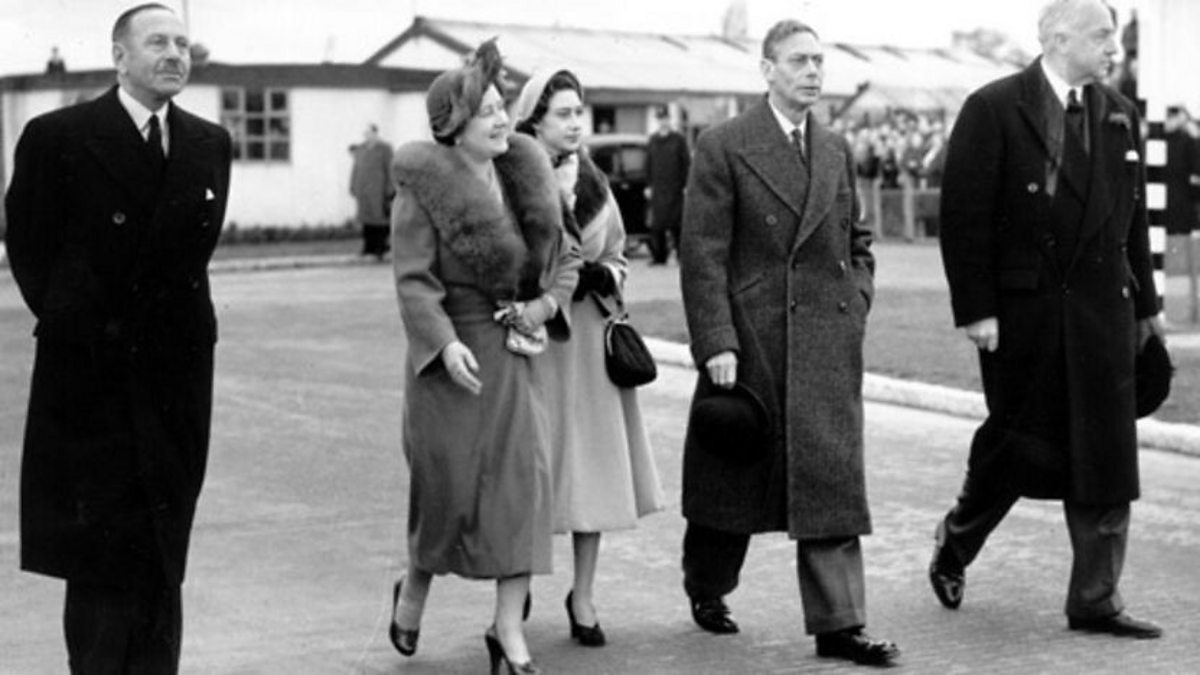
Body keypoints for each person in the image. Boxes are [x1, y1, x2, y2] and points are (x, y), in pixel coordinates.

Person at [4, 4, 231, 672]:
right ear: (119, 56)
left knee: (162, 555)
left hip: (177, 380)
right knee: (101, 564)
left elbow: (193, 256)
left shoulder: (208, 142)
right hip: (92, 381)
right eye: (157, 41)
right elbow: (30, 244)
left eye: (183, 44)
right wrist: (81, 324)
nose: (174, 54)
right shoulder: (59, 136)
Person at [931, 0, 1164, 640]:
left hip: (1101, 315)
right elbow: (964, 218)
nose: (1113, 48)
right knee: (1016, 448)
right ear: (1058, 38)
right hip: (1022, 315)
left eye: (1113, 37)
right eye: (1101, 36)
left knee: (1106, 456)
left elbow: (1132, 224)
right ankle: (955, 542)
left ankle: (1096, 599)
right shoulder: (993, 107)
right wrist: (976, 309)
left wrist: (1147, 312)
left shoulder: (1119, 114)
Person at [678, 19, 900, 667]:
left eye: (819, 61)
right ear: (767, 69)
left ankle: (840, 625)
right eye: (798, 60)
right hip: (752, 345)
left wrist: (855, 302)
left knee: (830, 483)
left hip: (827, 342)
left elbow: (857, 242)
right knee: (735, 479)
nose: (812, 72)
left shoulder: (834, 148)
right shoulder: (723, 146)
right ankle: (707, 584)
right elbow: (703, 254)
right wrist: (717, 340)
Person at [386, 40, 580, 674]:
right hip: (452, 365)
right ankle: (414, 589)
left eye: (503, 107)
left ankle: (507, 630)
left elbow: (563, 261)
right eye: (487, 112)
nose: (503, 120)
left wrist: (546, 307)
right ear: (453, 127)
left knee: (522, 493)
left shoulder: (527, 175)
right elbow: (415, 282)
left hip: (515, 357)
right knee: (448, 495)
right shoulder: (423, 191)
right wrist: (443, 344)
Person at [513, 68, 666, 648]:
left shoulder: (597, 182)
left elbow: (622, 252)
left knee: (594, 471)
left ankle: (584, 593)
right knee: (533, 466)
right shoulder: (511, 178)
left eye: (581, 112)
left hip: (592, 336)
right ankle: (517, 579)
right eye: (564, 114)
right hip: (537, 342)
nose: (576, 123)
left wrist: (606, 272)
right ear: (535, 122)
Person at [645, 106, 690, 265]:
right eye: (660, 119)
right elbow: (648, 164)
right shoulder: (653, 140)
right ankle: (659, 257)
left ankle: (681, 256)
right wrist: (648, 185)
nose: (663, 122)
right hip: (658, 187)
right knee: (658, 225)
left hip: (676, 188)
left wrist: (686, 185)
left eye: (665, 119)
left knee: (677, 224)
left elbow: (686, 164)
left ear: (669, 120)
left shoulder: (678, 140)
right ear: (657, 121)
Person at [350, 123, 394, 260]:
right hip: (363, 192)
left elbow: (390, 170)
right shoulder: (361, 149)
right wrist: (353, 186)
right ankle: (367, 248)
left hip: (379, 192)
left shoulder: (385, 149)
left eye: (369, 133)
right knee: (366, 221)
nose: (367, 136)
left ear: (375, 133)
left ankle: (380, 249)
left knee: (380, 221)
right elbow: (355, 169)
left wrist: (390, 190)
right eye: (365, 134)